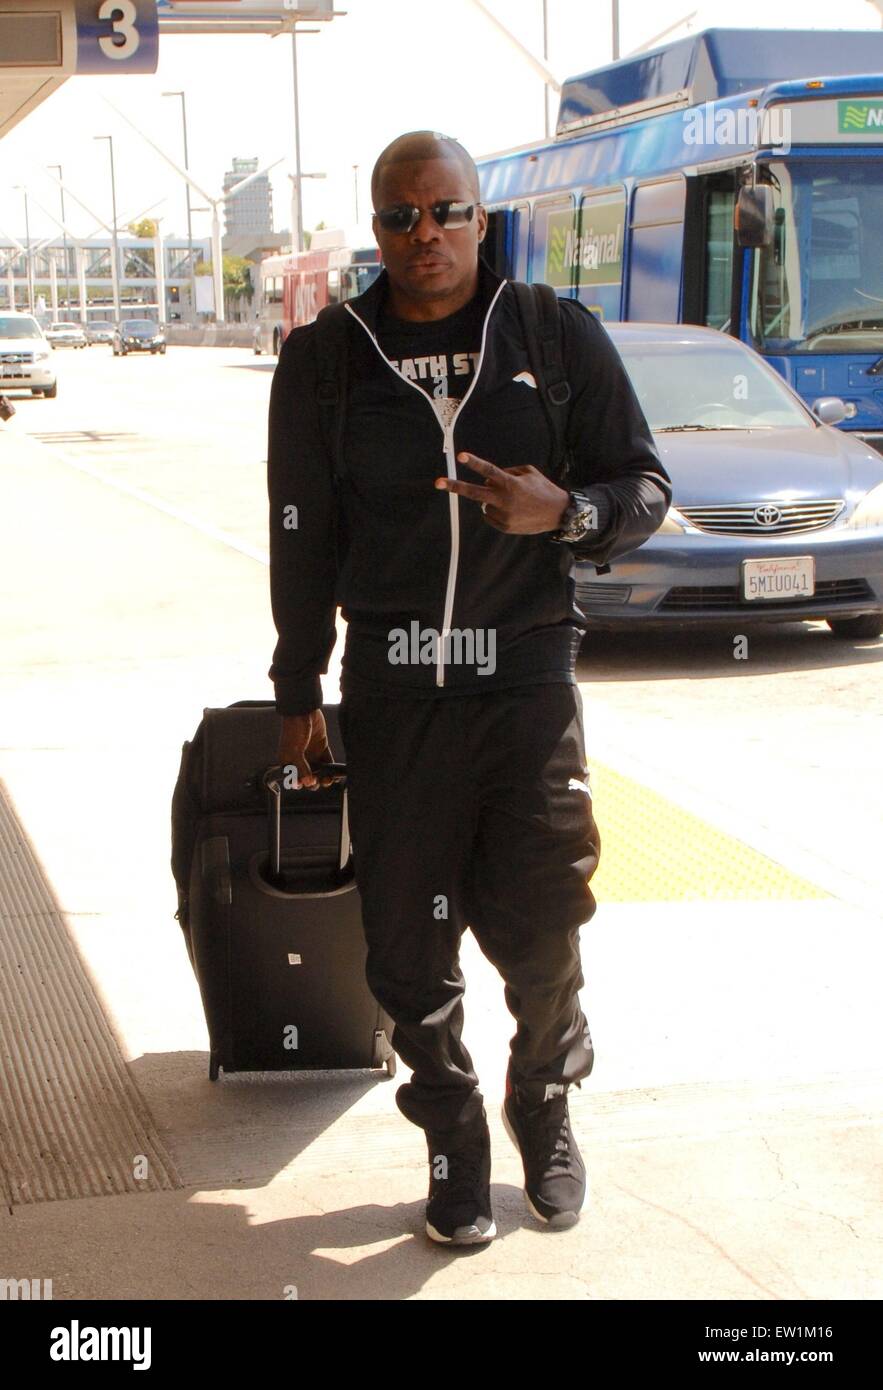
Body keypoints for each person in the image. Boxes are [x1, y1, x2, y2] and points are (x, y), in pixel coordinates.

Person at [267, 130, 672, 1246]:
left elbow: (643, 484)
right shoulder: (328, 361)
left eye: (444, 211)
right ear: (377, 228)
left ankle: (540, 1098)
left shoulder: (549, 333)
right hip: (395, 696)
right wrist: (296, 684)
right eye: (399, 217)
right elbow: (299, 535)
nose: (423, 235)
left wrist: (568, 514)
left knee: (543, 930)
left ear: (478, 218)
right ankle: (451, 1130)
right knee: (405, 946)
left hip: (526, 684)